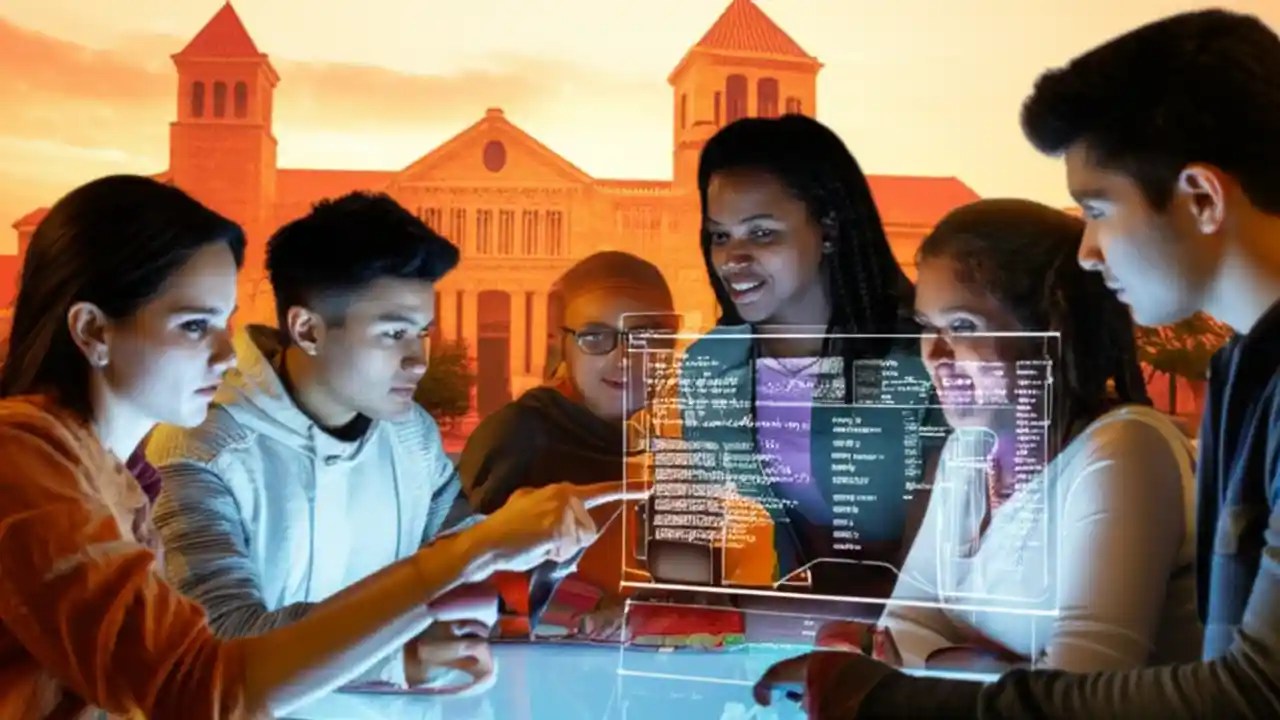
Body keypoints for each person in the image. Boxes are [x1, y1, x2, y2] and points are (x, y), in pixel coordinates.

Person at [753, 9, 1280, 718]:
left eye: (1097, 210)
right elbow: (906, 627)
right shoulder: (1246, 374)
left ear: (1200, 198)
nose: (1089, 253)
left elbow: (1254, 692)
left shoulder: (1141, 438)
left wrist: (896, 701)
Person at [0, 174, 632, 719]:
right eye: (195, 326)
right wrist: (462, 566)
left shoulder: (117, 473)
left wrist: (550, 559)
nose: (225, 351)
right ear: (90, 329)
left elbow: (468, 565)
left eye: (222, 323)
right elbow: (209, 669)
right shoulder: (128, 455)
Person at [145, 191, 510, 692]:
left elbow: (457, 544)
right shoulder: (200, 449)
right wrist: (396, 659)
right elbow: (222, 639)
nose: (419, 359)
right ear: (307, 330)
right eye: (392, 333)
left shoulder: (413, 434)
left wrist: (517, 546)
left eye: (422, 332)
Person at [877, 198, 1200, 675]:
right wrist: (986, 665)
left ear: (1049, 330)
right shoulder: (968, 449)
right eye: (927, 326)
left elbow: (1079, 690)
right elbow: (901, 625)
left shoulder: (1126, 451)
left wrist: (940, 662)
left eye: (963, 326)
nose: (935, 353)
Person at [676, 114, 947, 599]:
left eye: (761, 234)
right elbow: (719, 541)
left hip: (912, 636)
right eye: (721, 236)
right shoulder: (708, 369)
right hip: (773, 631)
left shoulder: (927, 358)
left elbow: (940, 563)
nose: (733, 259)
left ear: (827, 230)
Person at [458, 251, 678, 637]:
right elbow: (466, 580)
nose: (623, 358)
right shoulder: (520, 436)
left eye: (645, 337)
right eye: (595, 336)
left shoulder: (675, 440)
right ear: (562, 343)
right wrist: (588, 609)